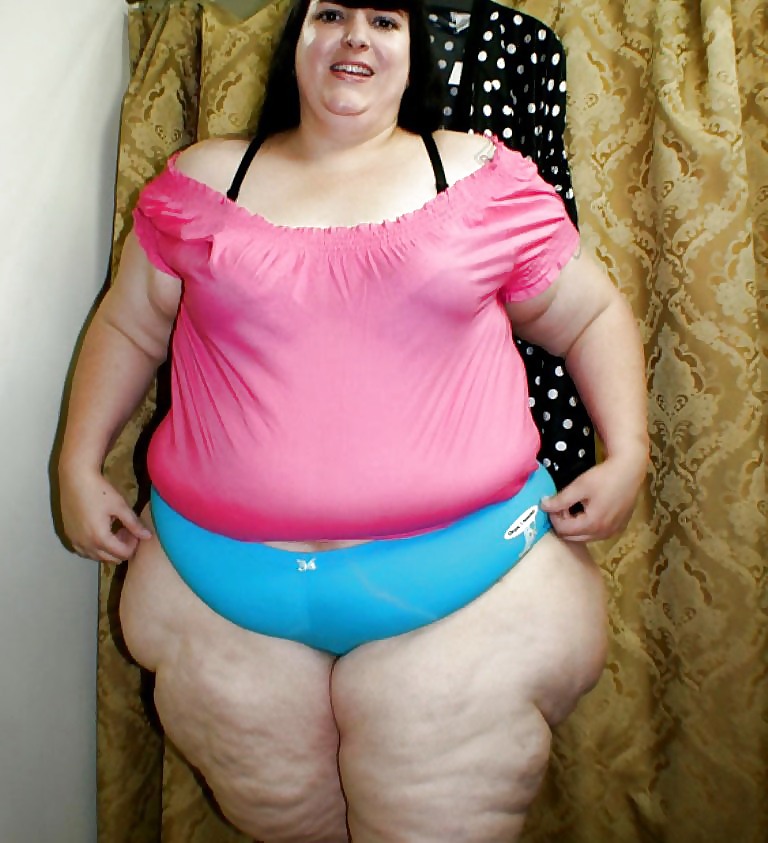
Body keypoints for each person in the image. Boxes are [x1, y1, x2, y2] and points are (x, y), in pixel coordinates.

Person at [58, 0, 648, 838]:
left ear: (416, 51)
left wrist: (628, 451)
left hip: (468, 584)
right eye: (331, 13)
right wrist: (78, 463)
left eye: (385, 20)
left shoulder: (480, 176)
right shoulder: (199, 181)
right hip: (220, 587)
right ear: (295, 39)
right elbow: (128, 326)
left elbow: (589, 316)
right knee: (285, 816)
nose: (355, 37)